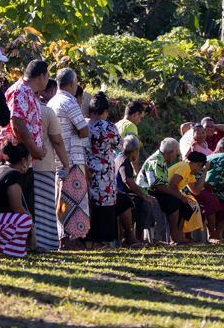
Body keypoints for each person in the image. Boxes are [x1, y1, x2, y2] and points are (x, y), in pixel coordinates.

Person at [1, 60, 49, 222]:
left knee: (26, 206)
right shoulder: (20, 91)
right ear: (41, 77)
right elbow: (17, 125)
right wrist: (34, 149)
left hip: (26, 160)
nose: (48, 80)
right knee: (18, 209)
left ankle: (27, 236)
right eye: (47, 76)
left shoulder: (30, 93)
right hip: (16, 160)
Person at [48, 68, 91, 249]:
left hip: (57, 158)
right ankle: (67, 241)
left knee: (61, 198)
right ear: (72, 83)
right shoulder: (70, 102)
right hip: (72, 159)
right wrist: (78, 130)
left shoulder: (52, 101)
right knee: (73, 199)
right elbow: (85, 131)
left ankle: (63, 240)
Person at [32, 80, 70, 251]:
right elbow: (57, 141)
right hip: (45, 166)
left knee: (31, 206)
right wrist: (65, 165)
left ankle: (31, 243)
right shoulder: (46, 112)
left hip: (24, 165)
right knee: (46, 207)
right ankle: (47, 243)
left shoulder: (21, 110)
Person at [137, 139, 198, 245]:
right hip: (147, 192)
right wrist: (179, 195)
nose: (175, 156)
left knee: (184, 203)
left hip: (156, 191)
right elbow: (157, 186)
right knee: (175, 201)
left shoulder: (161, 160)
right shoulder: (156, 161)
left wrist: (180, 196)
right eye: (175, 153)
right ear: (171, 152)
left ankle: (179, 235)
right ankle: (174, 237)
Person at [85, 92, 123, 248]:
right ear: (105, 111)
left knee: (91, 203)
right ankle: (99, 242)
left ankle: (86, 239)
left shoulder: (84, 125)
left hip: (88, 169)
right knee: (105, 204)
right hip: (104, 170)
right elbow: (120, 146)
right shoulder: (108, 126)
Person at [115, 134, 154, 247]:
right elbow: (128, 181)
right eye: (138, 151)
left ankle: (138, 237)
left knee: (146, 200)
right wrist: (143, 196)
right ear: (134, 150)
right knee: (144, 202)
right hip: (120, 193)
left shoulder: (122, 158)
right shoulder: (124, 160)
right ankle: (134, 237)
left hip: (121, 192)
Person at [166, 151, 208, 242]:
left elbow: (196, 191)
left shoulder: (190, 172)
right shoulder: (185, 166)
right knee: (185, 203)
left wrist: (204, 172)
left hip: (171, 193)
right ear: (199, 165)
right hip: (164, 191)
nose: (199, 170)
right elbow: (172, 184)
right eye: (201, 168)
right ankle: (178, 235)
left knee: (191, 204)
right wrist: (181, 197)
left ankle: (182, 235)